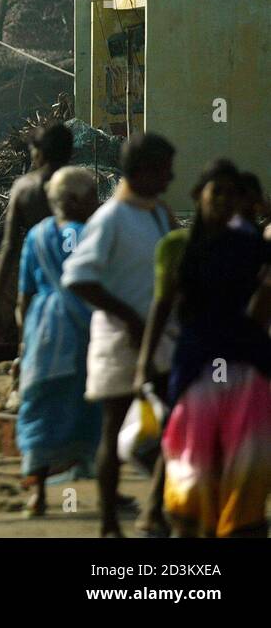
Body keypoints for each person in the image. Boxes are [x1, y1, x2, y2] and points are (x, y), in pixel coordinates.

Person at [138, 160, 271, 538]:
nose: (226, 200)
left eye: (233, 193)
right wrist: (144, 363)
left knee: (246, 461)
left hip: (245, 362)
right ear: (199, 195)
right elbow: (161, 308)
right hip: (197, 361)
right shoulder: (177, 248)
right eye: (219, 191)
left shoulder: (250, 246)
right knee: (191, 459)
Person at [63, 131, 175, 538]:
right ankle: (110, 522)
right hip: (118, 340)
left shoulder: (158, 214)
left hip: (160, 339)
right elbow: (77, 278)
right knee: (112, 429)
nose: (169, 178)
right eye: (163, 171)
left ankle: (154, 509)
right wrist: (128, 317)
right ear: (142, 172)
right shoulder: (110, 217)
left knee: (175, 424)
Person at [16, 165, 102, 518]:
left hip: (45, 329)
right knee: (88, 402)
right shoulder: (93, 234)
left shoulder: (35, 236)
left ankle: (37, 494)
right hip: (86, 324)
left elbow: (24, 294)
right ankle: (94, 481)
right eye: (92, 197)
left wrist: (24, 341)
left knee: (41, 403)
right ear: (74, 200)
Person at [0, 122, 75, 343]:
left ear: (40, 152)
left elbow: (9, 246)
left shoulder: (24, 188)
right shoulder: (80, 184)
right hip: (76, 277)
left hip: (37, 275)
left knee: (34, 337)